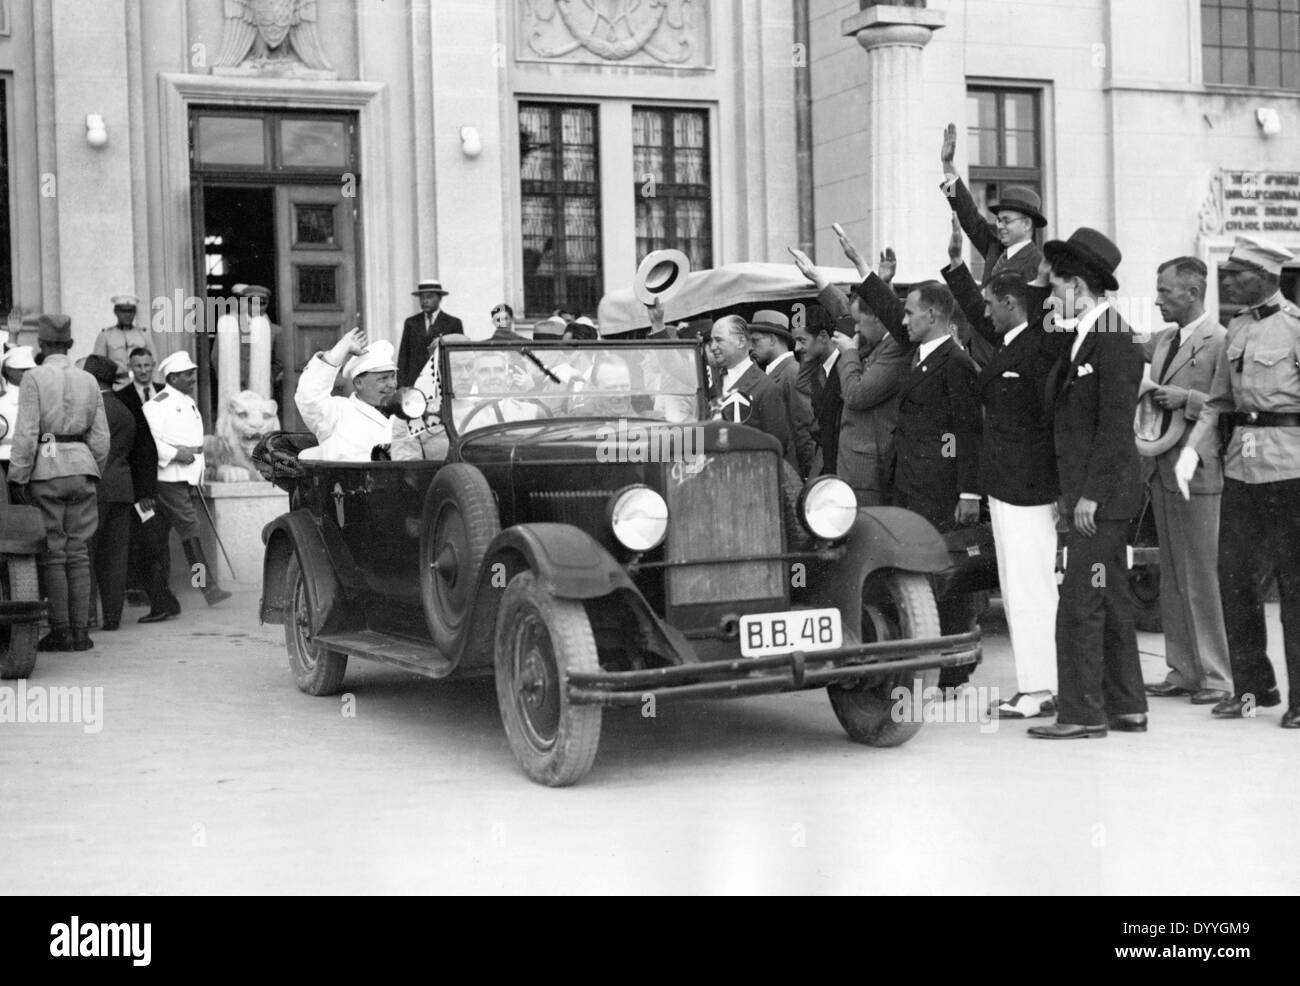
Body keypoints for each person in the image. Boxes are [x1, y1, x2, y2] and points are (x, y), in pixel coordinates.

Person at [1027, 228, 1147, 739]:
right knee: (1111, 598)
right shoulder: (1087, 332)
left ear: (1078, 285)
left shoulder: (1115, 337)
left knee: (1081, 603)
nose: (1051, 297)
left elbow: (1116, 427)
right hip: (1095, 495)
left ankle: (1081, 714)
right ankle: (1127, 707)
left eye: (1055, 287)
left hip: (1102, 498)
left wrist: (1090, 495)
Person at [1176, 236, 1300, 728]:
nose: (1226, 281)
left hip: (1291, 468)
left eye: (1237, 274)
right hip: (1241, 468)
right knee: (1234, 580)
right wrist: (1191, 450)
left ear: (1267, 277)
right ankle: (1252, 691)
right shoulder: (1237, 330)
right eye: (1226, 273)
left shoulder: (1295, 327)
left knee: (1295, 587)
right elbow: (1219, 402)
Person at [945, 231, 1062, 719]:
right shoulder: (1012, 340)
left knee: (1032, 587)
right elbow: (975, 310)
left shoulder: (1039, 347)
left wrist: (1040, 284)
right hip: (1008, 488)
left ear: (1014, 303)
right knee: (1017, 589)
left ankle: (1042, 688)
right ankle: (1036, 684)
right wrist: (955, 268)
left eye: (994, 304)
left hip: (1029, 489)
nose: (985, 314)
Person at [1138, 257, 1232, 706]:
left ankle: (1216, 676)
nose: (1157, 299)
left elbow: (1226, 405)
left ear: (1193, 293)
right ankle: (1182, 670)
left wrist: (1186, 398)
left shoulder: (1220, 341)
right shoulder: (1165, 340)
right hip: (1163, 467)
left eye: (1166, 292)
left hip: (1199, 472)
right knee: (1172, 574)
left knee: (1201, 576)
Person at [7, 314, 110, 652]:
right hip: (82, 465)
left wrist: (18, 475)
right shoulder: (89, 380)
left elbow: (28, 432)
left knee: (54, 552)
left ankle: (61, 630)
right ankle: (81, 632)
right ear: (70, 343)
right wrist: (91, 466)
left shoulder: (34, 378)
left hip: (46, 465)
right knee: (79, 552)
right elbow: (101, 438)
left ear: (42, 344)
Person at [788, 245, 904, 502]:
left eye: (859, 323)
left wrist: (878, 282)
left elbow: (856, 395)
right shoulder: (825, 365)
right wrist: (818, 279)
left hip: (863, 470)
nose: (856, 329)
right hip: (837, 460)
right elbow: (851, 313)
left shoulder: (862, 352)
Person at [143, 350, 232, 608]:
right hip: (169, 476)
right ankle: (207, 587)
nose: (192, 378)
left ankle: (158, 593)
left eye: (192, 373)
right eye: (186, 375)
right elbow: (150, 443)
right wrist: (175, 453)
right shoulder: (156, 405)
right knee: (190, 528)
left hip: (188, 476)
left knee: (159, 534)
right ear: (171, 377)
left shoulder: (187, 401)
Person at [114, 347, 177, 623]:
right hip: (141, 484)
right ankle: (159, 599)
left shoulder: (168, 393)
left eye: (146, 365)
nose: (142, 370)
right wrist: (144, 490)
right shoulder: (122, 397)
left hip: (171, 478)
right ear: (130, 367)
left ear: (153, 366)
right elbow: (138, 449)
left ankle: (167, 597)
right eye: (137, 365)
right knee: (146, 543)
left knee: (161, 541)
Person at [939, 123, 1045, 287]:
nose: (999, 226)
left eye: (1006, 220)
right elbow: (969, 216)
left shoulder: (1037, 265)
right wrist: (948, 166)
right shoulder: (995, 249)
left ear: (1026, 224)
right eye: (998, 220)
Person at [83, 355, 135, 632]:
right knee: (116, 558)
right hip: (123, 489)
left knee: (87, 554)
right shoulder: (125, 409)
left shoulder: (91, 408)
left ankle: (88, 616)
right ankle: (113, 618)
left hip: (96, 487)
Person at [297, 330, 404, 461]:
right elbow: (309, 396)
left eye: (393, 377)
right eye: (383, 379)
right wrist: (340, 349)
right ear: (359, 383)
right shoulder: (338, 412)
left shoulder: (405, 413)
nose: (392, 384)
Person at [706, 315, 791, 455]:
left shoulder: (766, 388)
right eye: (712, 340)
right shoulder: (713, 382)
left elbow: (777, 445)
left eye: (719, 340)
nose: (713, 346)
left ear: (740, 341)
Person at [749, 310, 816, 478]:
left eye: (755, 341)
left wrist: (808, 475)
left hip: (792, 472)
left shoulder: (792, 373)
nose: (751, 348)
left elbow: (804, 428)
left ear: (772, 340)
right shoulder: (778, 373)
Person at [398, 279, 463, 388]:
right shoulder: (411, 323)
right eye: (422, 297)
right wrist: (401, 386)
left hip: (442, 382)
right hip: (415, 382)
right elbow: (403, 357)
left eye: (429, 297)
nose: (425, 301)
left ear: (439, 298)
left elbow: (459, 356)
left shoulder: (453, 323)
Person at [93, 294, 153, 388]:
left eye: (131, 311)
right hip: (117, 386)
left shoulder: (143, 334)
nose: (127, 315)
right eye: (123, 311)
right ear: (115, 312)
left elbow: (153, 362)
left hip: (141, 385)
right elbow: (99, 367)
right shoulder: (105, 335)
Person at [0, 346, 37, 471]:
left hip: (33, 461)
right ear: (9, 370)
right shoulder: (1, 399)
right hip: (4, 460)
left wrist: (49, 458)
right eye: (22, 369)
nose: (27, 373)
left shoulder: (40, 397)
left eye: (30, 369)